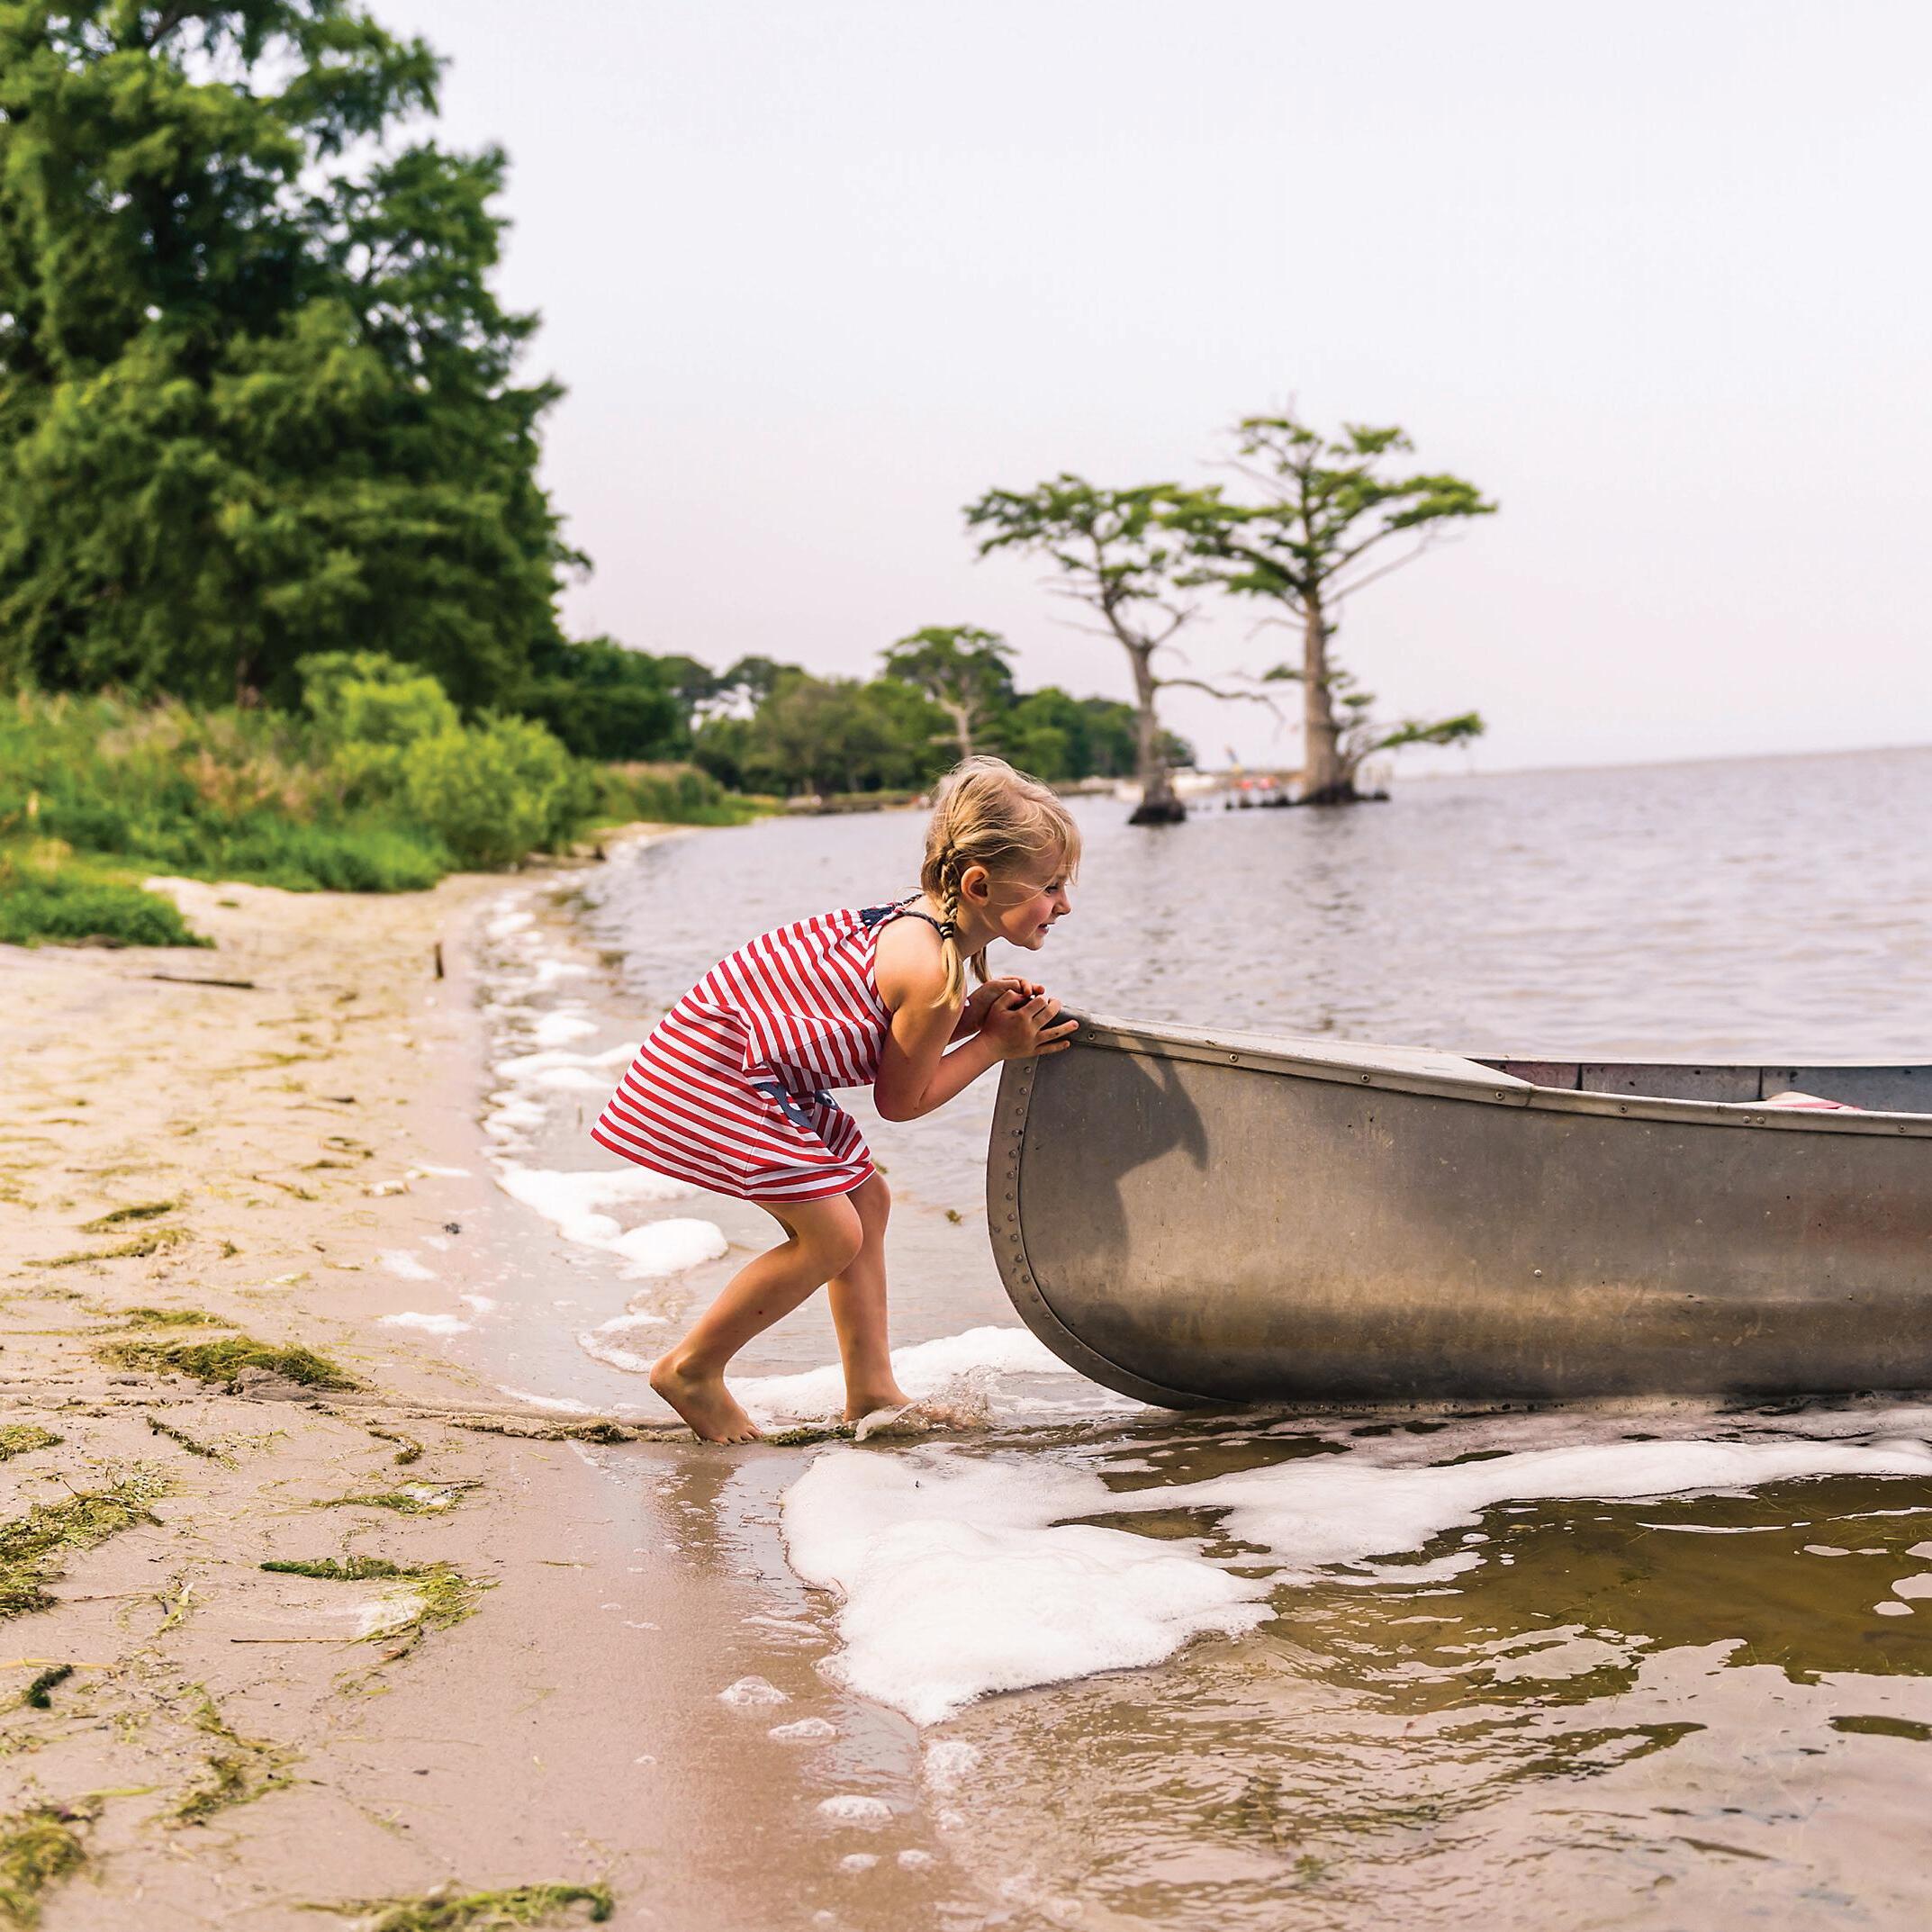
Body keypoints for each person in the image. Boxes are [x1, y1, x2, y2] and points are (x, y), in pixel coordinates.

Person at [591, 756, 1079, 1442]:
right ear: (977, 884)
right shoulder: (931, 969)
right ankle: (692, 1369)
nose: (1064, 904)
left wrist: (971, 1016)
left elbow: (886, 1035)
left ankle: (872, 1390)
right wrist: (994, 1045)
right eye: (1052, 887)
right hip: (718, 1075)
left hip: (745, 1065)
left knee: (866, 1201)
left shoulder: (927, 929)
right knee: (832, 1234)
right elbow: (902, 1100)